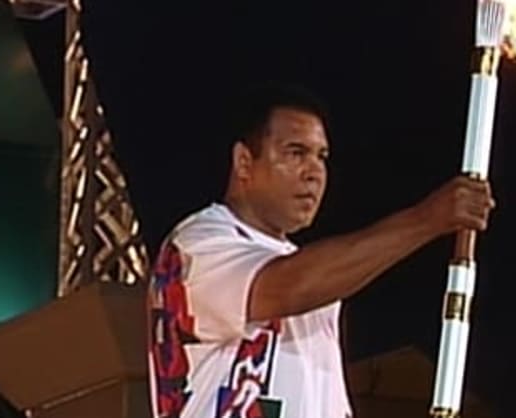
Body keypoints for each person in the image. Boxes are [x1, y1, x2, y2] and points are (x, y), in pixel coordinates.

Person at [147, 83, 495, 418]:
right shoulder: (199, 245)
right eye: (295, 153)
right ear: (243, 162)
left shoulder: (303, 269)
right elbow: (286, 287)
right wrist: (425, 220)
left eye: (321, 156)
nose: (314, 172)